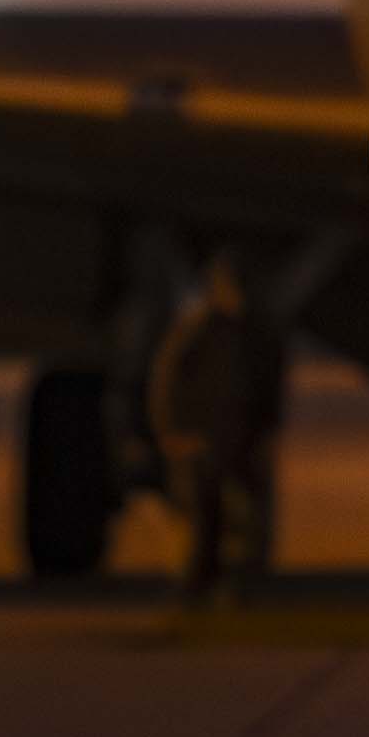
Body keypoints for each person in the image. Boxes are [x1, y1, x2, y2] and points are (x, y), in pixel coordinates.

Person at [146, 244, 286, 599]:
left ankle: (241, 585)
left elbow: (269, 386)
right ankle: (198, 585)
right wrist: (173, 431)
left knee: (245, 521)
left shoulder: (255, 334)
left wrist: (265, 431)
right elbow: (168, 382)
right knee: (202, 521)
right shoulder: (198, 331)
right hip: (203, 441)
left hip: (239, 439)